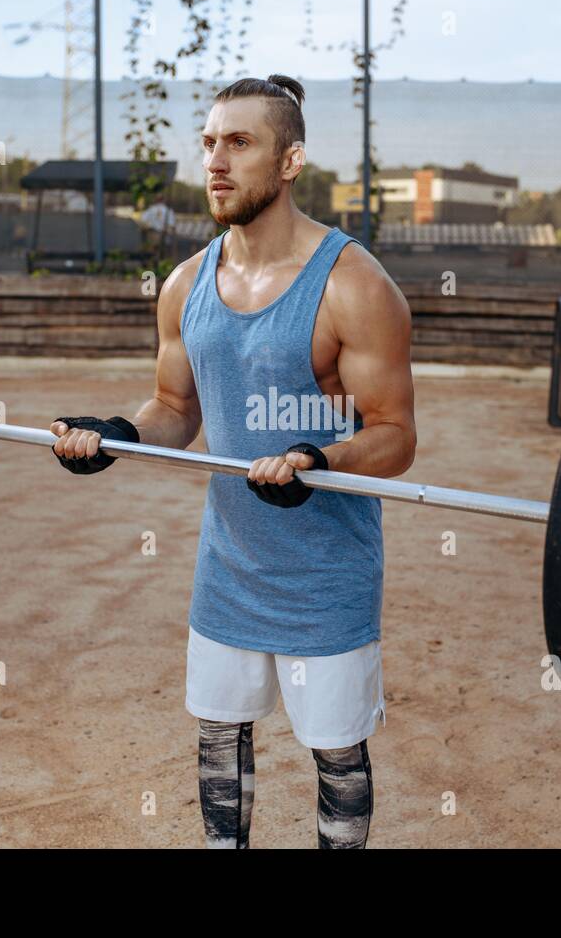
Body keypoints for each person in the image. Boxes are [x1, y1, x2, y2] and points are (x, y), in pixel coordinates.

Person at [51, 74, 415, 848]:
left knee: (335, 750)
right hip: (229, 565)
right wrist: (112, 436)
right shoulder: (187, 284)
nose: (216, 161)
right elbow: (175, 410)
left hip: (325, 572)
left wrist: (318, 457)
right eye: (210, 142)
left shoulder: (354, 285)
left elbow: (394, 434)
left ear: (290, 163)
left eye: (240, 143)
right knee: (219, 740)